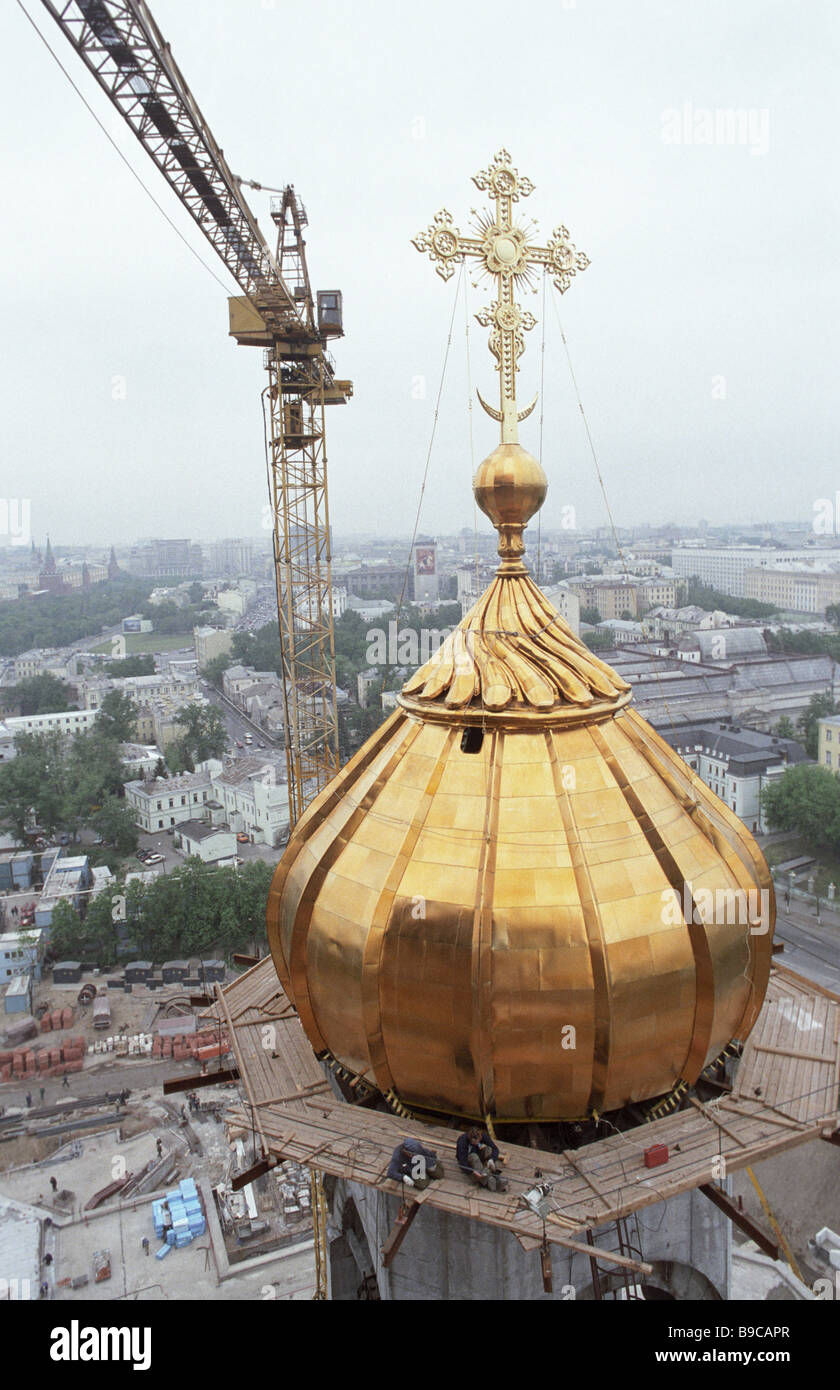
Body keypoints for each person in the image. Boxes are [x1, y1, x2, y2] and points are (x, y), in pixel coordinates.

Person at [456, 1126, 508, 1192]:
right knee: (474, 1156)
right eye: (474, 1142)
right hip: (468, 1161)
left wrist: (492, 1159)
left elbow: (495, 1149)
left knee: (489, 1149)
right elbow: (462, 1162)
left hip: (477, 1156)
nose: (477, 1143)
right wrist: (472, 1172)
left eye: (478, 1141)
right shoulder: (462, 1141)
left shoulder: (482, 1136)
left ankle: (489, 1175)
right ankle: (489, 1181)